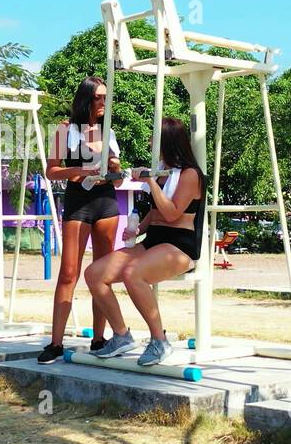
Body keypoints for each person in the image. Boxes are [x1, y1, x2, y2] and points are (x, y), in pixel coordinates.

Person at [84, 117, 205, 367]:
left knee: (132, 274)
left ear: (168, 141)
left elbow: (172, 213)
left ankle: (159, 340)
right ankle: (121, 335)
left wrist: (149, 180)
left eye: (155, 139)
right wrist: (139, 228)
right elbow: (155, 211)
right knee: (94, 273)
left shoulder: (190, 174)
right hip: (154, 240)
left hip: (179, 246)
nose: (150, 142)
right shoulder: (162, 171)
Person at [36, 77, 122, 364]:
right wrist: (80, 170)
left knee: (102, 274)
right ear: (86, 99)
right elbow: (51, 171)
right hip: (78, 203)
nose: (103, 103)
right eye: (99, 97)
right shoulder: (65, 130)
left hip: (107, 202)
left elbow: (119, 183)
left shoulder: (108, 132)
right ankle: (56, 344)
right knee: (69, 273)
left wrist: (116, 168)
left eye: (106, 98)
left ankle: (99, 340)